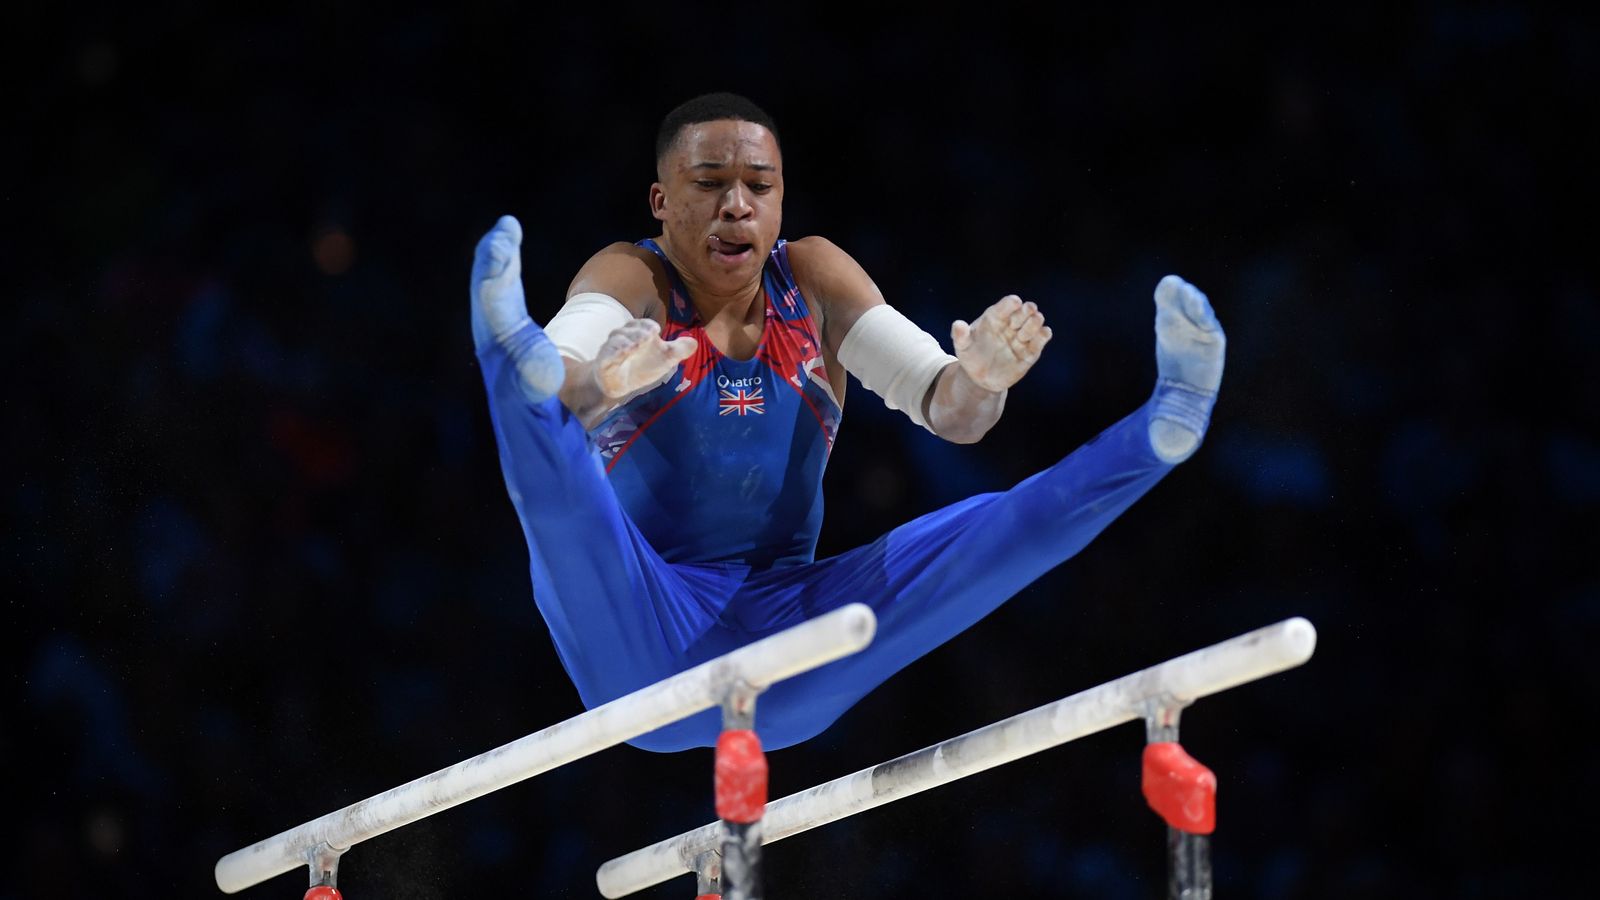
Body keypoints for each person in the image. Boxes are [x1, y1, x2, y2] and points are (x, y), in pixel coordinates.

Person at [469, 93, 1225, 752]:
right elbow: (562, 376)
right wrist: (600, 383)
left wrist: (983, 378)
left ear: (780, 200)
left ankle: (1163, 427)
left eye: (758, 186)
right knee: (556, 472)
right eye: (710, 183)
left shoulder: (816, 279)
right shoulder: (629, 277)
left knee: (990, 529)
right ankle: (500, 349)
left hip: (796, 638)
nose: (738, 205)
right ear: (661, 201)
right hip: (643, 632)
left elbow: (950, 409)